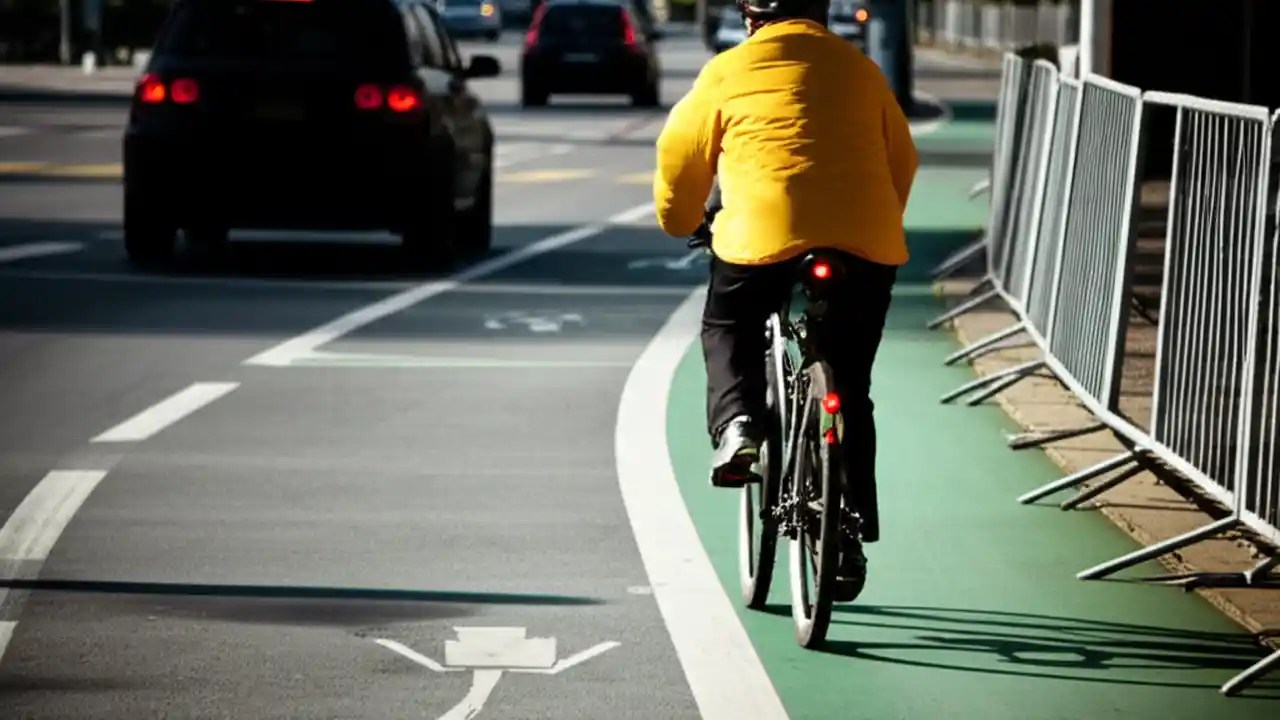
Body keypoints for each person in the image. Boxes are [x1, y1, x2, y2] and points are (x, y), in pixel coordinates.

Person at [652, 0, 917, 553]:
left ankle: (739, 424)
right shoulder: (861, 69)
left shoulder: (727, 71)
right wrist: (880, 220)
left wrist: (683, 223)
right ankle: (848, 526)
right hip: (864, 241)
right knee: (850, 383)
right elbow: (903, 161)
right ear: (819, 13)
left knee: (728, 326)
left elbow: (679, 157)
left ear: (752, 19)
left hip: (760, 238)